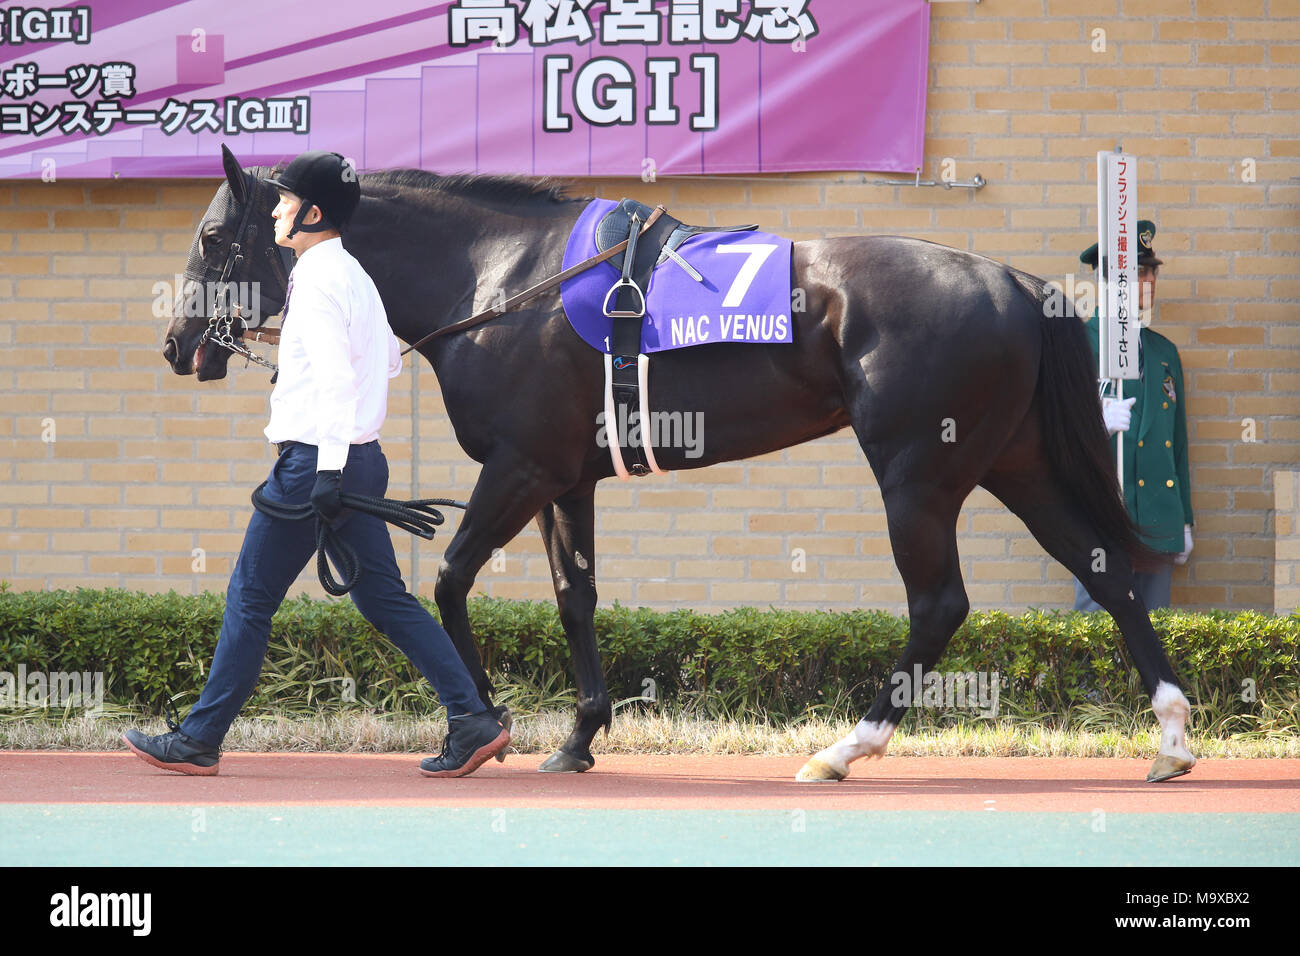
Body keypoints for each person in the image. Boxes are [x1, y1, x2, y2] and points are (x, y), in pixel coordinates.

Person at [125, 150, 509, 777]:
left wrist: (325, 472)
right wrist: (281, 344)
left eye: (283, 202)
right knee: (384, 599)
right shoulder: (351, 275)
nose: (275, 211)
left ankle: (198, 738)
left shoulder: (319, 281)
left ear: (312, 212)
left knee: (250, 597)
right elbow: (384, 359)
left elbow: (336, 381)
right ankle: (473, 719)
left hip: (315, 466)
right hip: (359, 459)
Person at [1073, 219, 1193, 612]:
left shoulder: (1162, 352)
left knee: (1155, 641)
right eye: (1140, 271)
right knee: (1097, 639)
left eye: (1152, 271)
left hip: (1159, 522)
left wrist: (1184, 519)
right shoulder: (1075, 347)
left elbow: (1176, 446)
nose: (1150, 280)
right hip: (1100, 520)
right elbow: (1048, 438)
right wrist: (1097, 426)